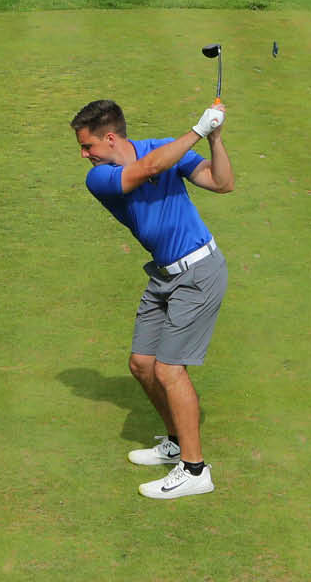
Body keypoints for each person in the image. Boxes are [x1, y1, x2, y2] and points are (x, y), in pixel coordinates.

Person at [71, 97, 234, 499]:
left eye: (88, 146)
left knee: (168, 370)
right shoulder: (101, 178)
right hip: (163, 276)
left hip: (199, 272)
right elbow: (148, 169)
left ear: (110, 137)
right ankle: (177, 443)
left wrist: (213, 139)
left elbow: (222, 182)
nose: (84, 154)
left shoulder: (163, 149)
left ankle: (195, 471)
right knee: (143, 364)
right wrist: (196, 130)